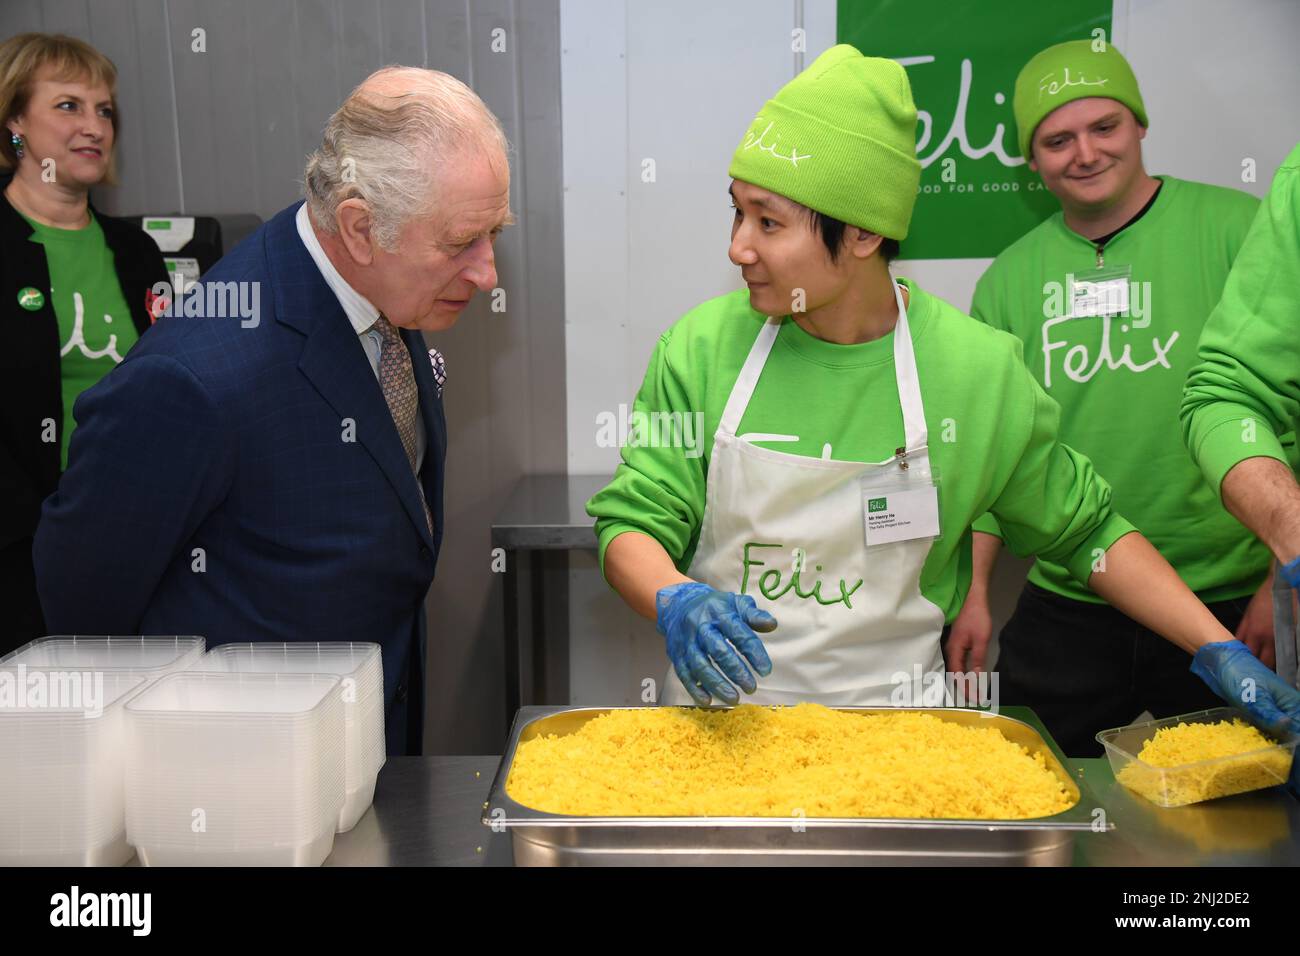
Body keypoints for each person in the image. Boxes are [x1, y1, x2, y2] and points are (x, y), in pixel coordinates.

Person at [585, 46, 1295, 751]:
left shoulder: (972, 371)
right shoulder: (703, 350)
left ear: (863, 232)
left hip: (898, 748)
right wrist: (675, 598)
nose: (739, 247)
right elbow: (632, 523)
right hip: (722, 735)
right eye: (736, 213)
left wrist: (1216, 649)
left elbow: (1088, 533)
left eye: (768, 223)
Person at [34, 67, 513, 755]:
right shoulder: (194, 378)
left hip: (362, 756)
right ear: (358, 227)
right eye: (461, 242)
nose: (487, 272)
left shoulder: (389, 288)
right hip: (238, 784)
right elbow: (83, 605)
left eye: (494, 233)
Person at [950, 40, 1273, 757]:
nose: (1086, 152)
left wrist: (1281, 587)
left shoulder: (1237, 230)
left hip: (1228, 597)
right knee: (1027, 783)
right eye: (1057, 140)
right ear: (1032, 163)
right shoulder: (1007, 280)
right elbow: (991, 455)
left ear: (1140, 127)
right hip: (1073, 594)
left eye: (1105, 127)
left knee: (1244, 814)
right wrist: (973, 590)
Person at [0, 33, 166, 654]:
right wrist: (47, 531)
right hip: (23, 559)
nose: (94, 125)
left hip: (138, 539)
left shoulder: (136, 251)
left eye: (104, 110)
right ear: (15, 120)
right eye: (68, 106)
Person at [1182, 142, 1300, 698]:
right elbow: (1232, 392)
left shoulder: (1226, 216)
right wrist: (1289, 545)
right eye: (1057, 139)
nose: (1085, 153)